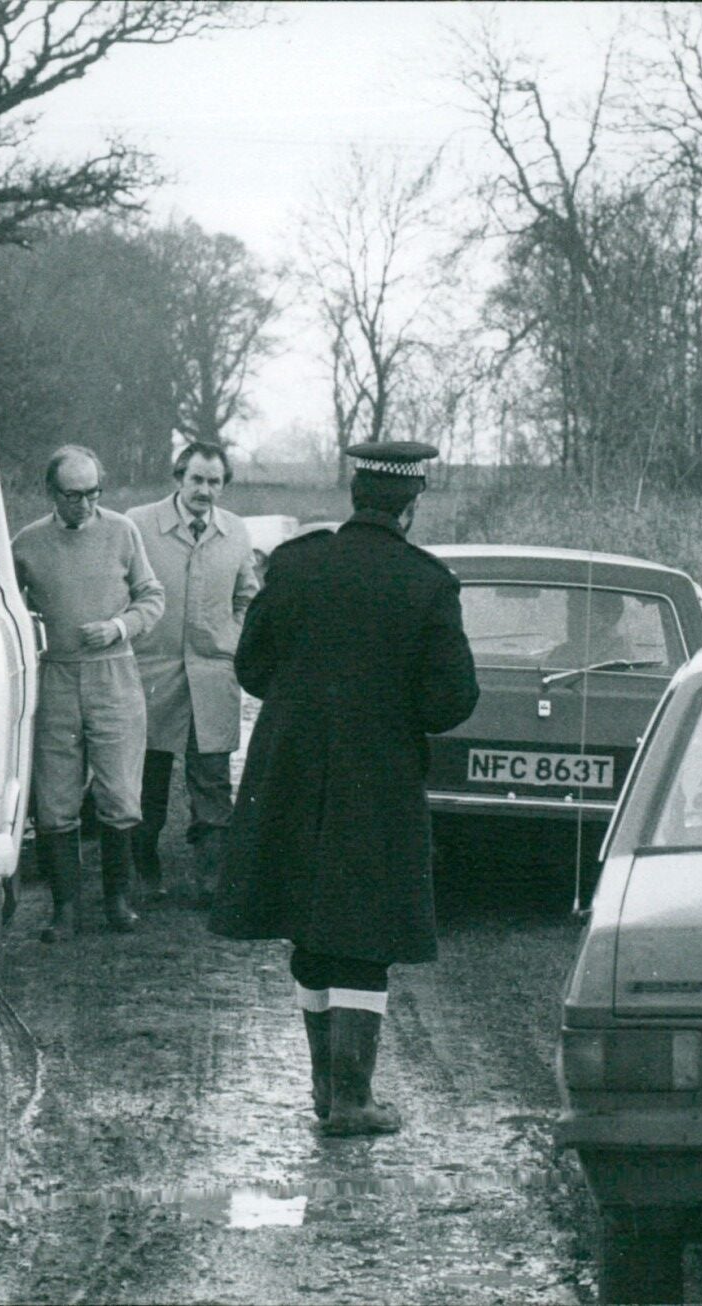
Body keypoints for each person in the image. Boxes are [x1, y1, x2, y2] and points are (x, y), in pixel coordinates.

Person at [211, 441, 479, 1136]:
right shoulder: (427, 583)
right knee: (365, 931)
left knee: (308, 922)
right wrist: (393, 712)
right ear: (410, 507)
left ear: (355, 495)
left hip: (290, 767)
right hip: (378, 776)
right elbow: (454, 700)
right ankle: (353, 1100)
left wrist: (304, 704)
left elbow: (251, 666)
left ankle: (328, 1094)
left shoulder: (298, 565)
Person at [12, 446, 166, 941]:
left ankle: (118, 901)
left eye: (93, 492)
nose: (83, 504)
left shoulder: (123, 532)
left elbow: (152, 596)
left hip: (113, 673)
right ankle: (65, 908)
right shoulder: (27, 543)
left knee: (120, 791)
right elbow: (10, 613)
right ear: (51, 492)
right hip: (55, 676)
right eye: (73, 495)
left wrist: (119, 627)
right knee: (55, 797)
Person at [127, 442, 260, 906]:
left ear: (224, 485)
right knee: (147, 781)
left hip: (212, 675)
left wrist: (232, 638)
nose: (205, 490)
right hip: (153, 673)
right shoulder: (140, 525)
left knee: (212, 783)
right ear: (179, 478)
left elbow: (248, 596)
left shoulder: (236, 532)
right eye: (197, 479)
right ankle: (143, 873)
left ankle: (212, 880)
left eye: (215, 481)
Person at [538, 587, 637, 669]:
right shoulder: (560, 654)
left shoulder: (622, 659)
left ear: (608, 617)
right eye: (571, 609)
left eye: (581, 612)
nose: (572, 619)